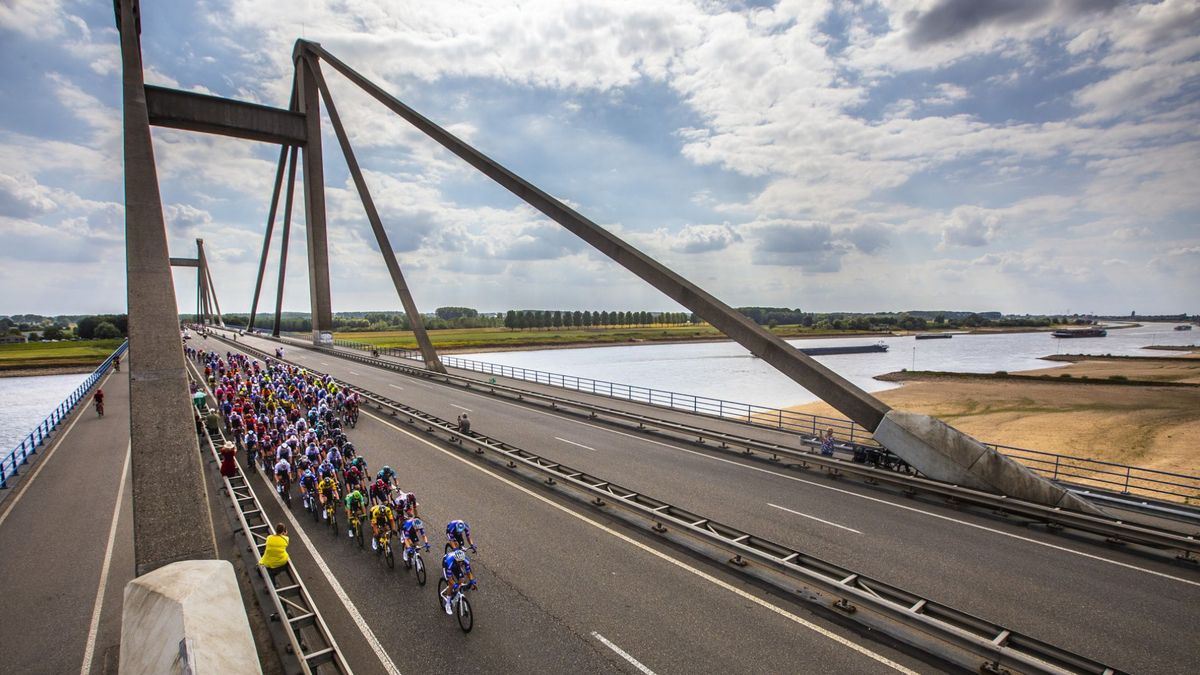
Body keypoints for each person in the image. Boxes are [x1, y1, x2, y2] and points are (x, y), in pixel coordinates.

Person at [440, 548, 476, 615]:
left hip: (455, 565)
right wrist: (454, 585)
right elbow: (450, 578)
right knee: (450, 584)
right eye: (459, 561)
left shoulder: (465, 560)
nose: (461, 563)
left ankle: (456, 592)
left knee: (462, 579)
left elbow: (469, 573)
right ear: (456, 559)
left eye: (462, 561)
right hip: (446, 564)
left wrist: (472, 581)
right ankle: (447, 604)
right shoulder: (449, 562)